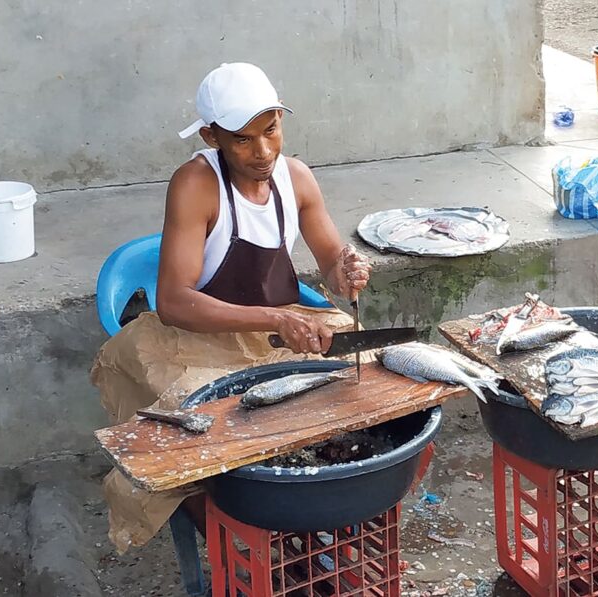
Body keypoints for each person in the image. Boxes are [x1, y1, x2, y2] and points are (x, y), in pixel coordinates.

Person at [90, 62, 373, 552]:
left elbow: (330, 262)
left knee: (367, 382)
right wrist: (276, 319)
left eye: (271, 130)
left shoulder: (297, 179)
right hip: (197, 337)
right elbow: (176, 301)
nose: (263, 152)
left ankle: (320, 518)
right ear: (211, 135)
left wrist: (346, 268)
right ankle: (232, 539)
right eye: (242, 140)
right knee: (197, 429)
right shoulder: (196, 184)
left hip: (273, 333)